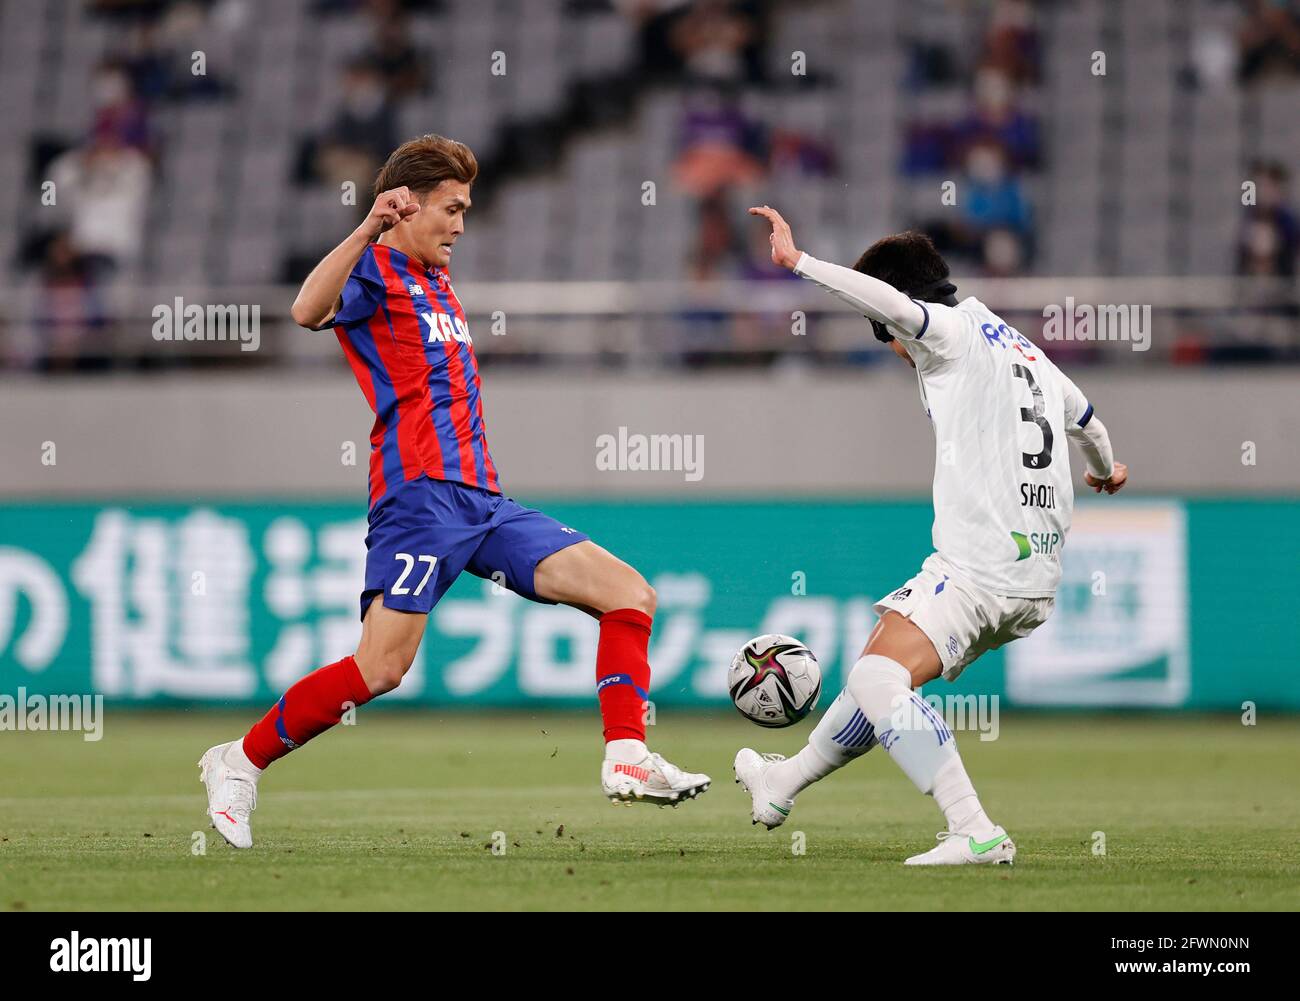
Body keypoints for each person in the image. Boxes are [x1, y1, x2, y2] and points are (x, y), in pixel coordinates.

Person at [198, 135, 710, 849]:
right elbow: (306, 312)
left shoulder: (436, 279)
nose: (461, 225)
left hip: (483, 500)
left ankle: (627, 754)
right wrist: (366, 228)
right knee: (381, 667)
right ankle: (238, 762)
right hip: (419, 499)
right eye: (451, 208)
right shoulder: (374, 269)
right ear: (405, 207)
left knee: (629, 594)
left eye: (466, 209)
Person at [737, 207, 1128, 865]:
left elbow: (892, 304)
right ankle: (782, 783)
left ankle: (973, 829)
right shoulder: (1023, 348)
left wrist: (798, 263)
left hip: (982, 566)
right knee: (877, 671)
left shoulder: (947, 333)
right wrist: (1104, 471)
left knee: (878, 678)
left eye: (886, 335)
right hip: (1036, 574)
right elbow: (1088, 422)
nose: (893, 348)